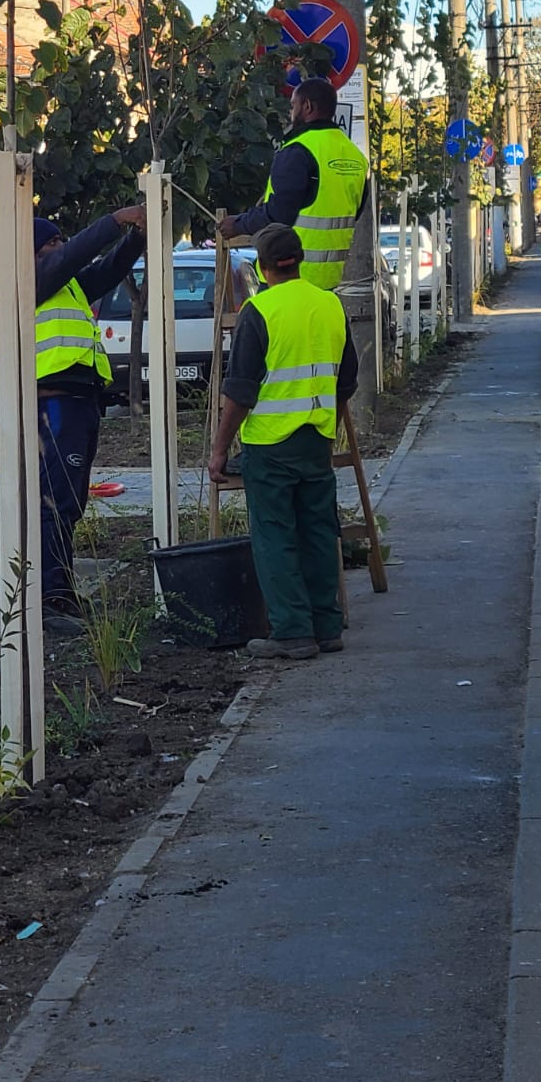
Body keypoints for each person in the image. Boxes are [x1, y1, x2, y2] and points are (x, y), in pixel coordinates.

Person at [207, 222, 359, 661]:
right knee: (317, 531)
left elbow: (239, 392)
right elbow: (345, 380)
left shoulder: (260, 311)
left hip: (271, 446)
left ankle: (292, 632)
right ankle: (326, 627)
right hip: (316, 440)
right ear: (301, 260)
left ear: (262, 266)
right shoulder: (330, 305)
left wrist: (220, 449)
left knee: (275, 537)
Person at [35, 206, 146, 628]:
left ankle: (59, 590)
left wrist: (136, 236)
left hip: (79, 402)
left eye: (62, 240)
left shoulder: (70, 286)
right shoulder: (33, 281)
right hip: (55, 404)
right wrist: (115, 220)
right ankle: (51, 599)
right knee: (57, 500)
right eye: (51, 242)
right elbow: (75, 256)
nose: (60, 248)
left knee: (71, 500)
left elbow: (110, 266)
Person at [218, 76, 368, 291]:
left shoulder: (298, 151)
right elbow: (355, 211)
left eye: (293, 106)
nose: (290, 113)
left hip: (285, 276)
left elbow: (278, 214)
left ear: (307, 106)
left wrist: (238, 225)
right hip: (328, 283)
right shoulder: (356, 157)